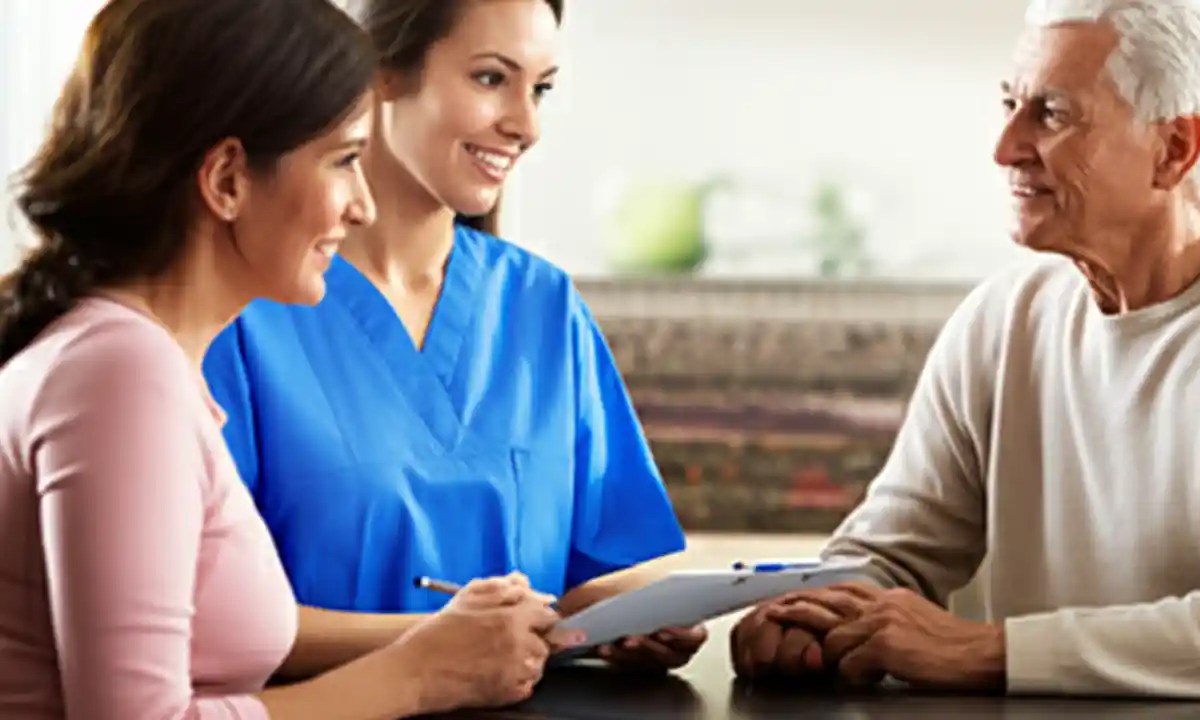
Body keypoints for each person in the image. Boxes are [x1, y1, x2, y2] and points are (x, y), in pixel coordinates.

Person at [0, 0, 578, 717]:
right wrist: (418, 677)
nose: (362, 206)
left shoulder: (131, 364)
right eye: (342, 163)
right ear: (228, 181)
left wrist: (446, 644)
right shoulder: (120, 377)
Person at [731, 0, 1200, 699]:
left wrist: (989, 650)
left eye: (1051, 113)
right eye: (1009, 104)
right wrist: (811, 616)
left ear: (1174, 150)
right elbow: (891, 554)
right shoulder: (1003, 318)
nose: (1005, 148)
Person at [201, 0, 705, 673]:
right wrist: (440, 649)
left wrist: (636, 619)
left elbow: (603, 567)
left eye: (542, 89)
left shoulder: (542, 304)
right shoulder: (245, 306)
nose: (526, 125)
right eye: (491, 79)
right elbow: (200, 618)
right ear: (380, 73)